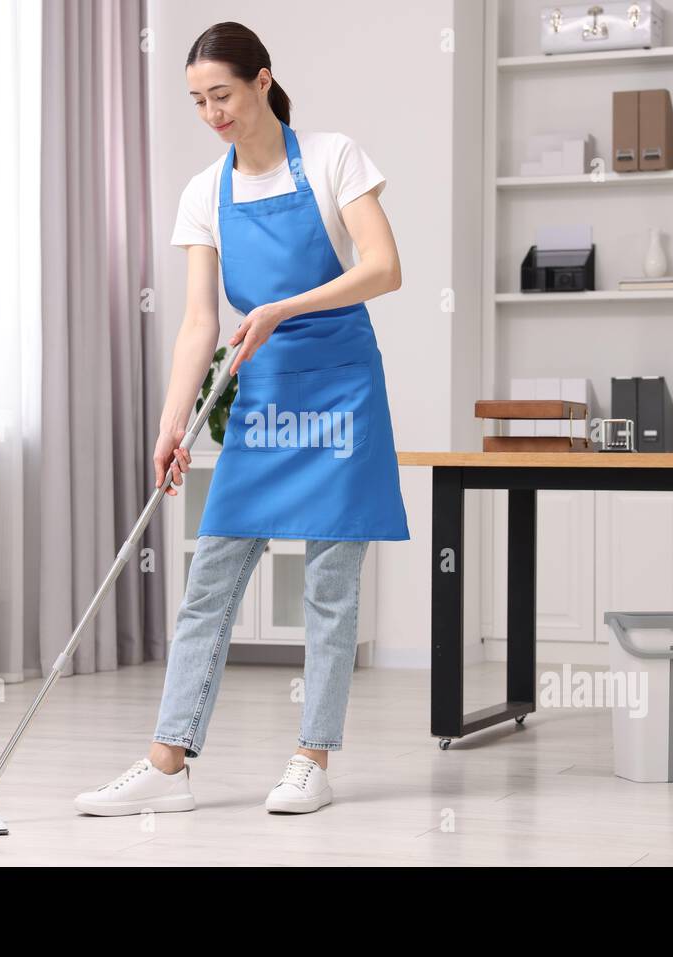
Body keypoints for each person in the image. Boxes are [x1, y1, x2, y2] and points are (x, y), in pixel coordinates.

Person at [74, 21, 409, 817]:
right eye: (197, 101)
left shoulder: (332, 158)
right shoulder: (206, 192)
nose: (212, 112)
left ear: (263, 80)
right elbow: (198, 323)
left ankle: (311, 758)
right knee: (211, 578)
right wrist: (169, 422)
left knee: (329, 585)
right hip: (261, 399)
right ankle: (168, 761)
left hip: (340, 392)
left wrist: (281, 307)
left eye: (221, 94)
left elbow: (384, 268)